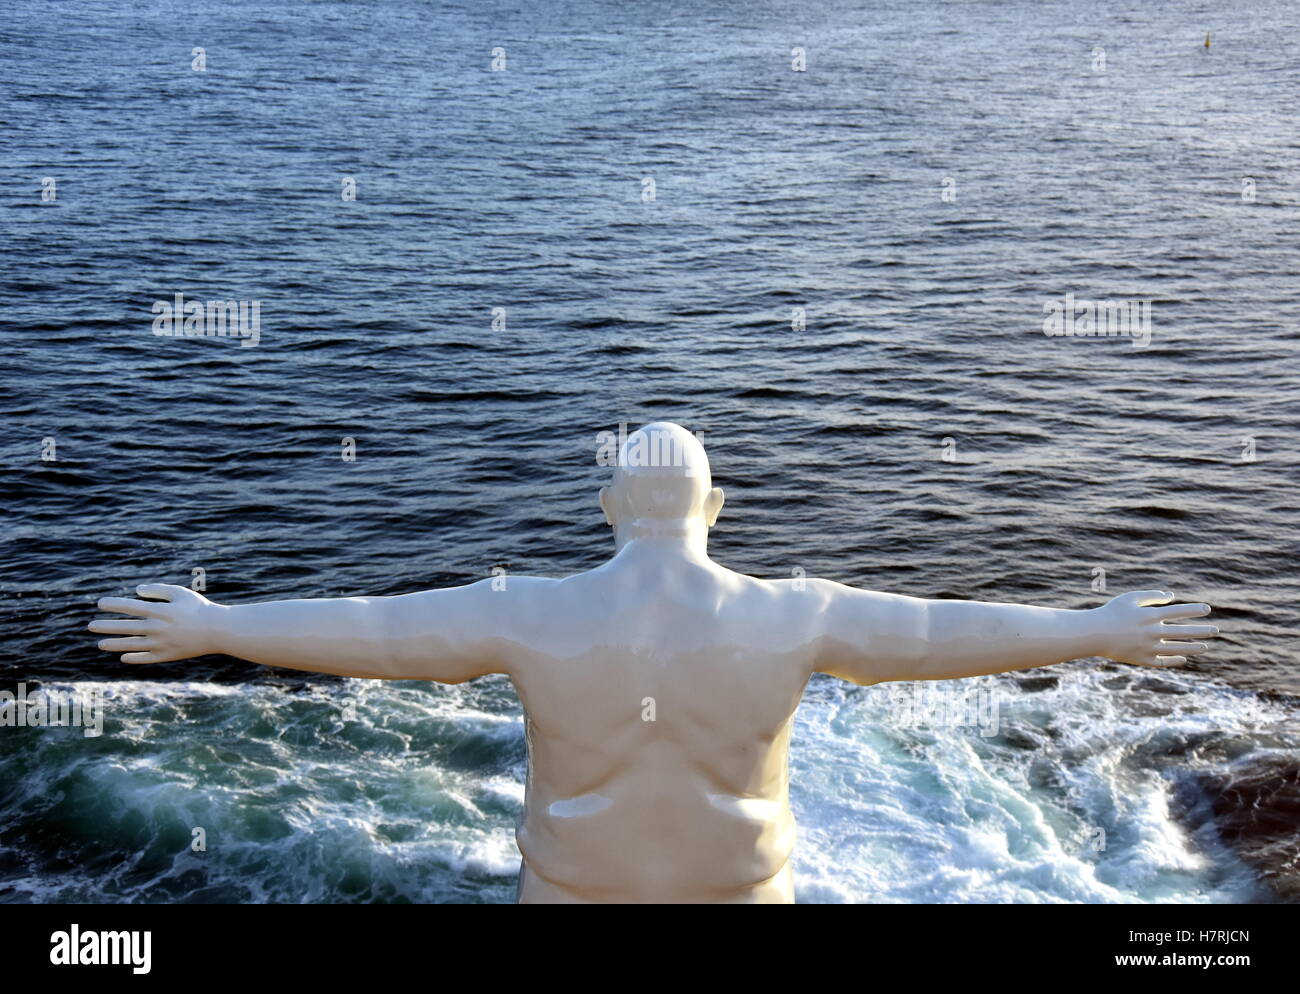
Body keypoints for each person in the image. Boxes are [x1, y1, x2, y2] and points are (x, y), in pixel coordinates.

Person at [91, 422, 1219, 903]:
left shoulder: (527, 611)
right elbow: (942, 634)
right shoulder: (796, 613)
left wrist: (221, 621)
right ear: (715, 506)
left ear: (606, 505)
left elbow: (373, 634)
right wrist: (1093, 629)